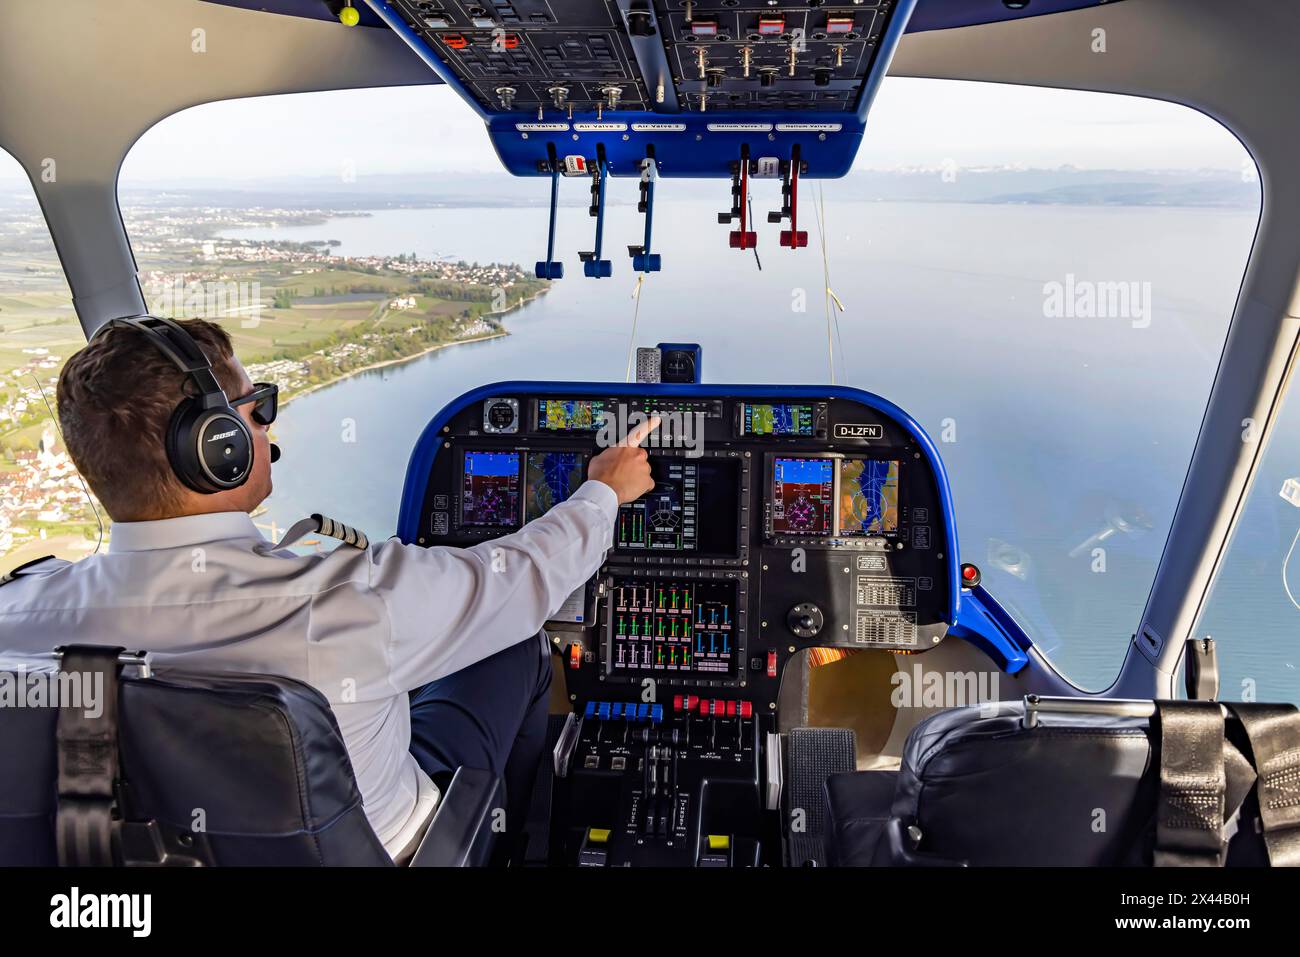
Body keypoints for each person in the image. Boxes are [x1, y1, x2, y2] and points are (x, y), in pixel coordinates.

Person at [0, 316, 656, 862]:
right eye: (259, 410)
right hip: (393, 848)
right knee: (510, 647)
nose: (268, 425)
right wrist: (604, 490)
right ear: (218, 446)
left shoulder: (16, 615)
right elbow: (521, 583)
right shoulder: (348, 596)